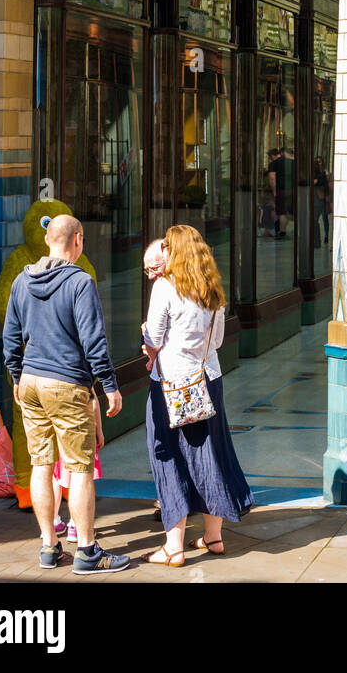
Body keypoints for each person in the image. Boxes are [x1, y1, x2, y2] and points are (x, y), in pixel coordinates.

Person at [2, 213, 129, 574]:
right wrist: (109, 387)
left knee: (42, 465)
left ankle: (49, 547)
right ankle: (87, 551)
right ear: (78, 240)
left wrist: (16, 377)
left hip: (30, 383)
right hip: (66, 383)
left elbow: (11, 339)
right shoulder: (80, 282)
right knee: (79, 468)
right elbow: (94, 340)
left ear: (47, 241)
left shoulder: (21, 282)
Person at [142, 224, 253, 565]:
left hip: (172, 385)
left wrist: (147, 341)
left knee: (168, 457)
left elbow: (155, 338)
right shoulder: (212, 291)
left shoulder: (164, 287)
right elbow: (217, 342)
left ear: (175, 253)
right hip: (209, 381)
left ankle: (173, 547)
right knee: (211, 453)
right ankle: (213, 536)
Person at [53, 391, 102, 542]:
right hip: (79, 426)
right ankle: (76, 525)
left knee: (56, 475)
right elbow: (92, 402)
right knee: (81, 475)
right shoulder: (80, 369)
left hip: (55, 427)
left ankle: (53, 522)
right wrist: (98, 430)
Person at [313, 156, 331, 249]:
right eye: (317, 162)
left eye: (319, 162)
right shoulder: (319, 174)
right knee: (320, 219)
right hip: (320, 198)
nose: (318, 164)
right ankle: (319, 240)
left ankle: (324, 237)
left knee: (323, 218)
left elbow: (325, 186)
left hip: (320, 198)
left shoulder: (323, 173)